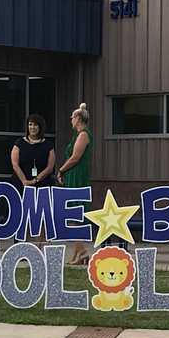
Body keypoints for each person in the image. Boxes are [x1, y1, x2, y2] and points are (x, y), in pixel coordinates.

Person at [56, 103, 93, 264]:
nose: (71, 120)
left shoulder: (83, 135)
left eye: (72, 117)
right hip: (72, 175)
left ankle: (82, 252)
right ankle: (79, 252)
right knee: (72, 215)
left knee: (75, 213)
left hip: (77, 177)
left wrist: (61, 170)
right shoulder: (77, 135)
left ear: (78, 118)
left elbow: (75, 157)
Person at [11, 114, 56, 190]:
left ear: (40, 127)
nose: (32, 127)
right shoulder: (19, 143)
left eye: (35, 125)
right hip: (21, 183)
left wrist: (35, 180)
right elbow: (15, 165)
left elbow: (50, 167)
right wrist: (24, 181)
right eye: (30, 124)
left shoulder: (48, 145)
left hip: (42, 184)